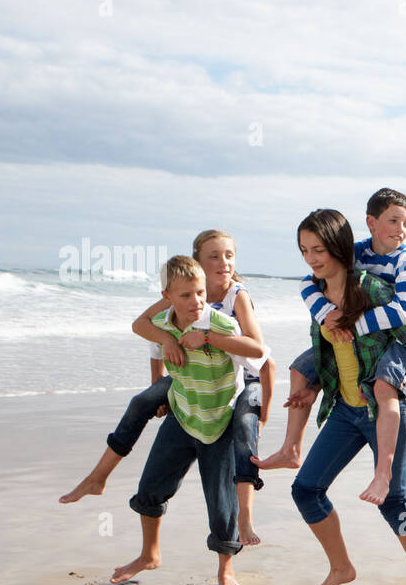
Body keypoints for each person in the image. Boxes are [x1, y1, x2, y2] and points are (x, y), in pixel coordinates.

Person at [61, 229, 275, 546]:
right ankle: (98, 476)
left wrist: (205, 338)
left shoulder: (235, 295)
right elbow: (145, 327)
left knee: (245, 430)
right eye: (214, 256)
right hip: (188, 379)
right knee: (140, 403)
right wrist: (165, 352)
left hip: (236, 377)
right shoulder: (183, 291)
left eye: (229, 255)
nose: (224, 263)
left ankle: (244, 517)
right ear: (197, 262)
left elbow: (259, 349)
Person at [287, 208, 406, 585]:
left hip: (384, 409)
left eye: (319, 249)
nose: (312, 259)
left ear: (338, 247)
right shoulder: (316, 298)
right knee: (305, 489)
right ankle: (341, 569)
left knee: (393, 502)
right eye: (304, 251)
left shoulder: (372, 289)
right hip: (345, 410)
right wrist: (312, 385)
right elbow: (328, 350)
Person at [256, 189, 406, 511]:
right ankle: (291, 448)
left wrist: (351, 326)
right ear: (371, 222)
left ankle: (382, 473)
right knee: (299, 370)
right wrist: (324, 313)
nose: (401, 229)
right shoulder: (356, 253)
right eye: (394, 220)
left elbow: (403, 311)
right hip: (357, 336)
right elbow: (308, 284)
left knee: (382, 388)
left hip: (401, 341)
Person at [110, 255, 265, 585]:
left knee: (221, 502)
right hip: (182, 415)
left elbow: (257, 351)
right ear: (166, 296)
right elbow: (139, 324)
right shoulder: (163, 324)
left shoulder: (220, 323)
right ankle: (149, 554)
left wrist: (208, 339)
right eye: (185, 296)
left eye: (199, 293)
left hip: (219, 420)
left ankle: (226, 569)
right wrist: (167, 341)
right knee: (150, 486)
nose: (195, 302)